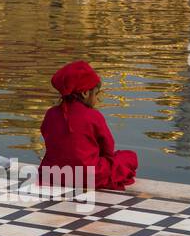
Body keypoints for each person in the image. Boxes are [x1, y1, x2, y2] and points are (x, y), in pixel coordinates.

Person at [39, 60, 138, 190]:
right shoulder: (93, 116)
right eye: (96, 94)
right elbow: (108, 148)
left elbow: (49, 139)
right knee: (129, 157)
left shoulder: (51, 113)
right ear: (85, 93)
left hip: (53, 174)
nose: (97, 99)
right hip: (87, 176)